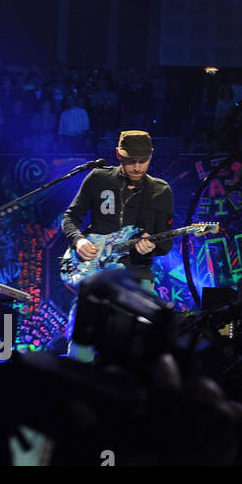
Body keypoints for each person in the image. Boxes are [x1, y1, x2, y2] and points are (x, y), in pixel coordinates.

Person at [61, 130, 175, 360]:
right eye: (131, 160)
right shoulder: (98, 178)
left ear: (151, 156)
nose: (137, 167)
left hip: (136, 274)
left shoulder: (161, 191)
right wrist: (79, 239)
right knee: (81, 344)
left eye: (143, 161)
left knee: (134, 349)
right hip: (96, 274)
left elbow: (166, 242)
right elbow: (70, 217)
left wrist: (152, 247)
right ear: (118, 154)